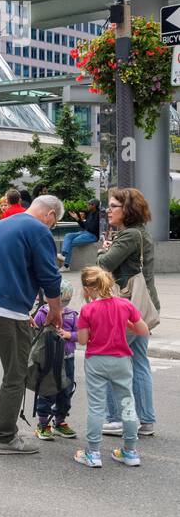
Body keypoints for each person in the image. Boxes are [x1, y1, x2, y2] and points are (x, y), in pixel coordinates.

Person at [0, 194, 64, 455]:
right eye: (54, 223)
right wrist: (55, 310)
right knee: (15, 375)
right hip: (8, 311)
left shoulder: (0, 225)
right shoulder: (38, 230)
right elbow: (49, 275)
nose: (51, 227)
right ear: (50, 215)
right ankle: (6, 437)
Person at [73, 266, 150, 468]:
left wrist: (90, 330)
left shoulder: (87, 310)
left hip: (96, 360)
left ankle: (93, 453)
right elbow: (144, 330)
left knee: (97, 407)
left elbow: (82, 340)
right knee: (127, 404)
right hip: (121, 360)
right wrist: (128, 325)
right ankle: (130, 451)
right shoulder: (125, 305)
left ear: (87, 288)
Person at [97, 187, 158, 439]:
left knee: (112, 360)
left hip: (126, 308)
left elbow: (102, 266)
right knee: (139, 362)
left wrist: (103, 250)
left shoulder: (129, 236)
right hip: (144, 305)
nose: (108, 210)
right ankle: (145, 420)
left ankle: (118, 419)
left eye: (113, 206)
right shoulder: (142, 234)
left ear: (127, 210)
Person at [32, 281, 78, 441]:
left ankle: (60, 421)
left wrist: (69, 335)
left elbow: (80, 334)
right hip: (49, 360)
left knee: (66, 391)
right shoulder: (43, 313)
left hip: (68, 359)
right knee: (47, 390)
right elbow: (35, 333)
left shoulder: (72, 315)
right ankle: (43, 424)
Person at [59, 199, 100, 269]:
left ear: (94, 205)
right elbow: (85, 226)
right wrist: (77, 219)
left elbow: (92, 228)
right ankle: (63, 255)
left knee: (72, 242)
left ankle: (66, 265)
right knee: (68, 235)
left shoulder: (99, 215)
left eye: (89, 204)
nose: (88, 206)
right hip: (85, 232)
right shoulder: (90, 213)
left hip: (93, 236)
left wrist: (84, 223)